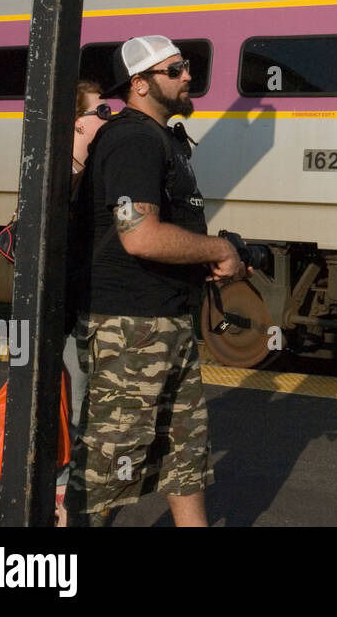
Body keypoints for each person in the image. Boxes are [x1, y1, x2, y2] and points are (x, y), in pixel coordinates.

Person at [67, 36, 245, 526]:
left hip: (166, 320)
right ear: (140, 84)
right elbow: (139, 235)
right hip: (129, 326)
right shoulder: (132, 140)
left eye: (185, 66)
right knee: (108, 470)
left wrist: (205, 256)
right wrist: (220, 249)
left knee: (185, 456)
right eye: (175, 70)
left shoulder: (164, 139)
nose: (188, 75)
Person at [54, 80, 110, 525]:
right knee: (72, 400)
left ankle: (74, 488)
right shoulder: (55, 178)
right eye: (100, 112)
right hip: (64, 311)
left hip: (90, 305)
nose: (107, 119)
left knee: (86, 399)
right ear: (77, 122)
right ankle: (62, 493)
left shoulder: (98, 175)